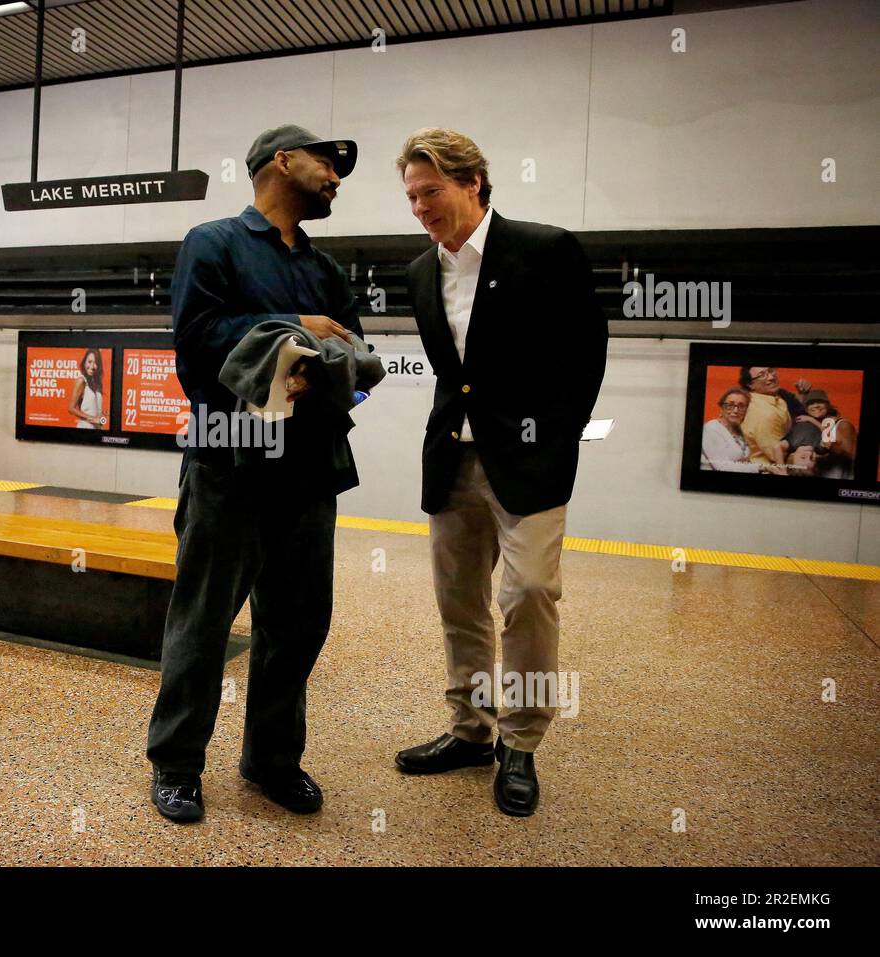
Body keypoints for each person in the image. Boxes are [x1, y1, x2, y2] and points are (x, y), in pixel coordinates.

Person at [146, 125, 363, 823]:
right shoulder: (212, 242)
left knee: (298, 624)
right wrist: (294, 326)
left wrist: (326, 367)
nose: (336, 177)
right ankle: (177, 763)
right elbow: (198, 343)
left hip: (308, 470)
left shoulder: (327, 267)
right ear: (282, 160)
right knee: (204, 623)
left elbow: (354, 347)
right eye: (327, 163)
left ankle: (271, 759)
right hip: (228, 464)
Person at [393, 127, 607, 817]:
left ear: (472, 183)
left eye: (431, 192)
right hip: (451, 459)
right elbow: (452, 374)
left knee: (531, 594)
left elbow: (585, 357)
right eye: (411, 196)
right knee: (459, 602)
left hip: (530, 461)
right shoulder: (421, 271)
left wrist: (554, 438)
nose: (420, 207)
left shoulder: (544, 250)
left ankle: (521, 741)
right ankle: (470, 729)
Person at [701, 387, 782, 473]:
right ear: (722, 408)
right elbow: (722, 467)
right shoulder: (711, 429)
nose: (735, 410)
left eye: (741, 406)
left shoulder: (741, 431)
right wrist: (763, 467)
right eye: (730, 405)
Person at [739, 366, 791, 467]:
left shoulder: (772, 398)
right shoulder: (763, 413)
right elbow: (777, 455)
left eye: (771, 371)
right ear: (750, 384)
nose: (771, 377)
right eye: (762, 375)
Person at [69, 348, 106, 429]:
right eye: (89, 362)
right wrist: (92, 418)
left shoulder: (97, 383)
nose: (92, 366)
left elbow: (95, 410)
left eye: (95, 363)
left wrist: (104, 415)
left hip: (98, 428)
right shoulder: (81, 380)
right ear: (84, 362)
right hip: (85, 427)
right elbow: (71, 408)